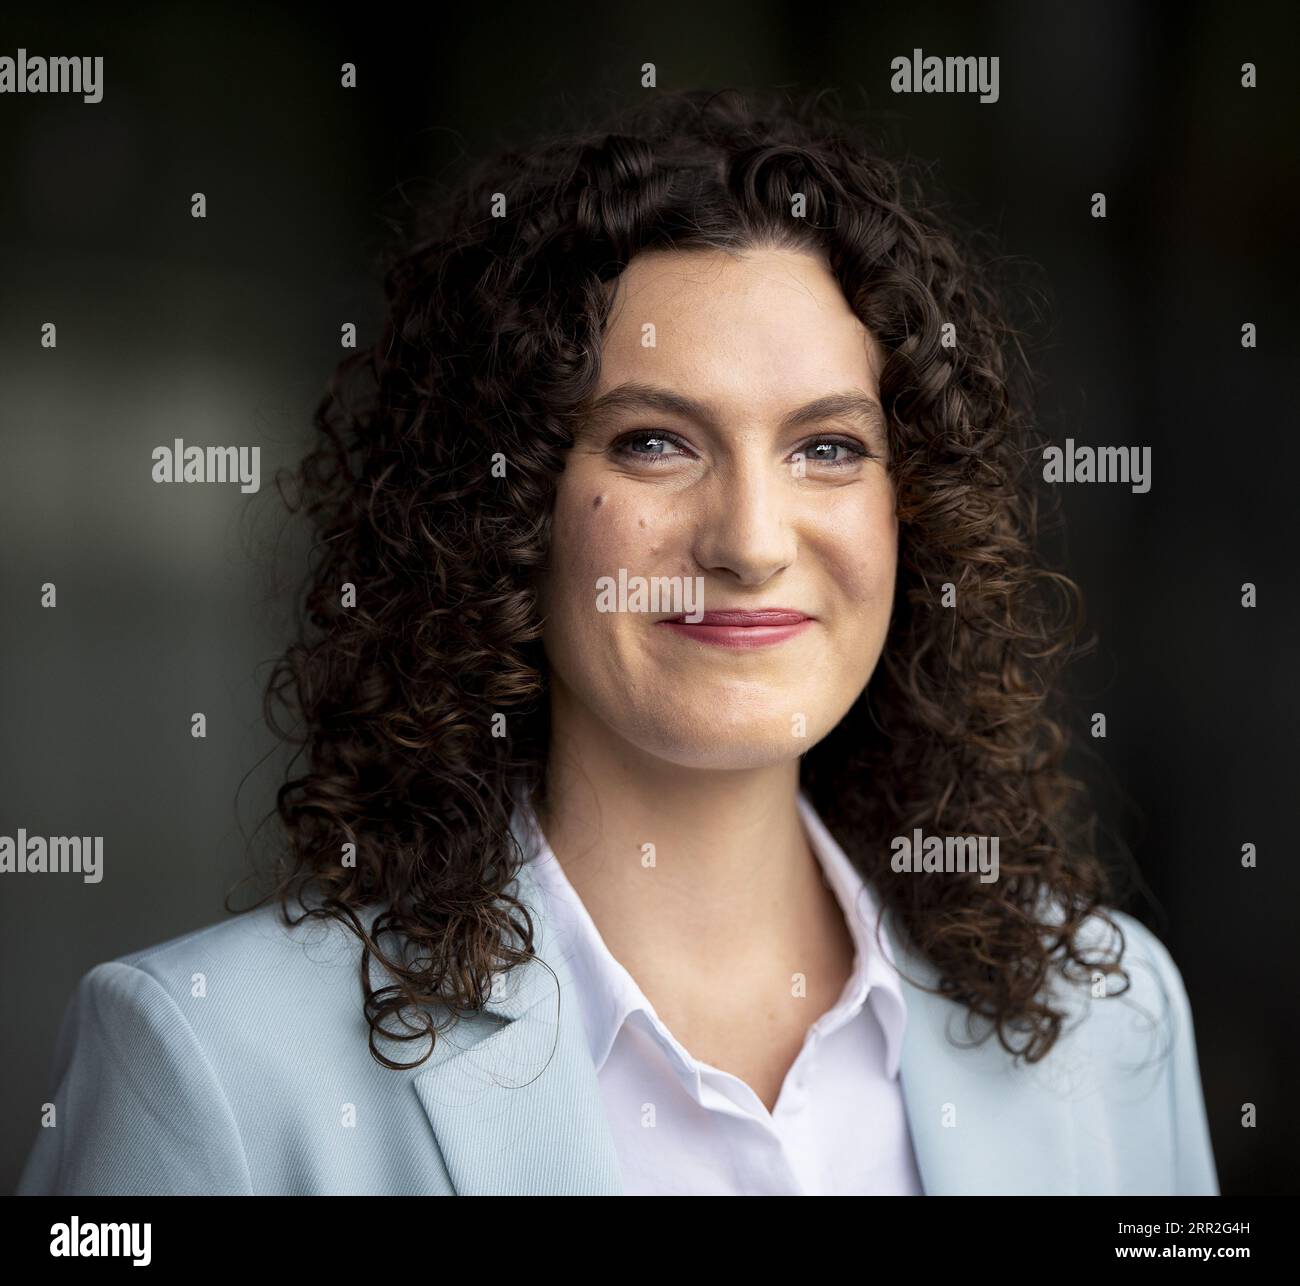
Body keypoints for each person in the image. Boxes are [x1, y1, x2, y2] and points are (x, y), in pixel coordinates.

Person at [16, 87, 1217, 1196]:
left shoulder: (1113, 1024)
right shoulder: (209, 1061)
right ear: (502, 510)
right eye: (653, 441)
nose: (751, 539)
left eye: (828, 447)